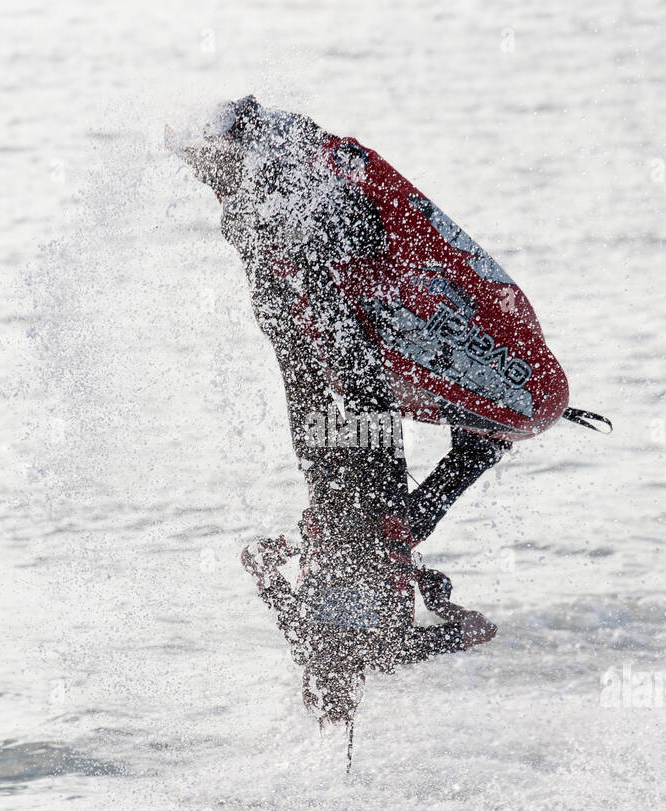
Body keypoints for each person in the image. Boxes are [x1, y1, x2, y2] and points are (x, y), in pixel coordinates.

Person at [177, 96, 504, 745]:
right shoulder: (302, 635)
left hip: (374, 466)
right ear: (313, 683)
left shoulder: (387, 653)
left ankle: (304, 217)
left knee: (343, 348)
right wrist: (281, 557)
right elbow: (256, 563)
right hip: (324, 462)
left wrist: (435, 599)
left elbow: (478, 631)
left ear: (351, 691)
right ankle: (254, 200)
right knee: (293, 341)